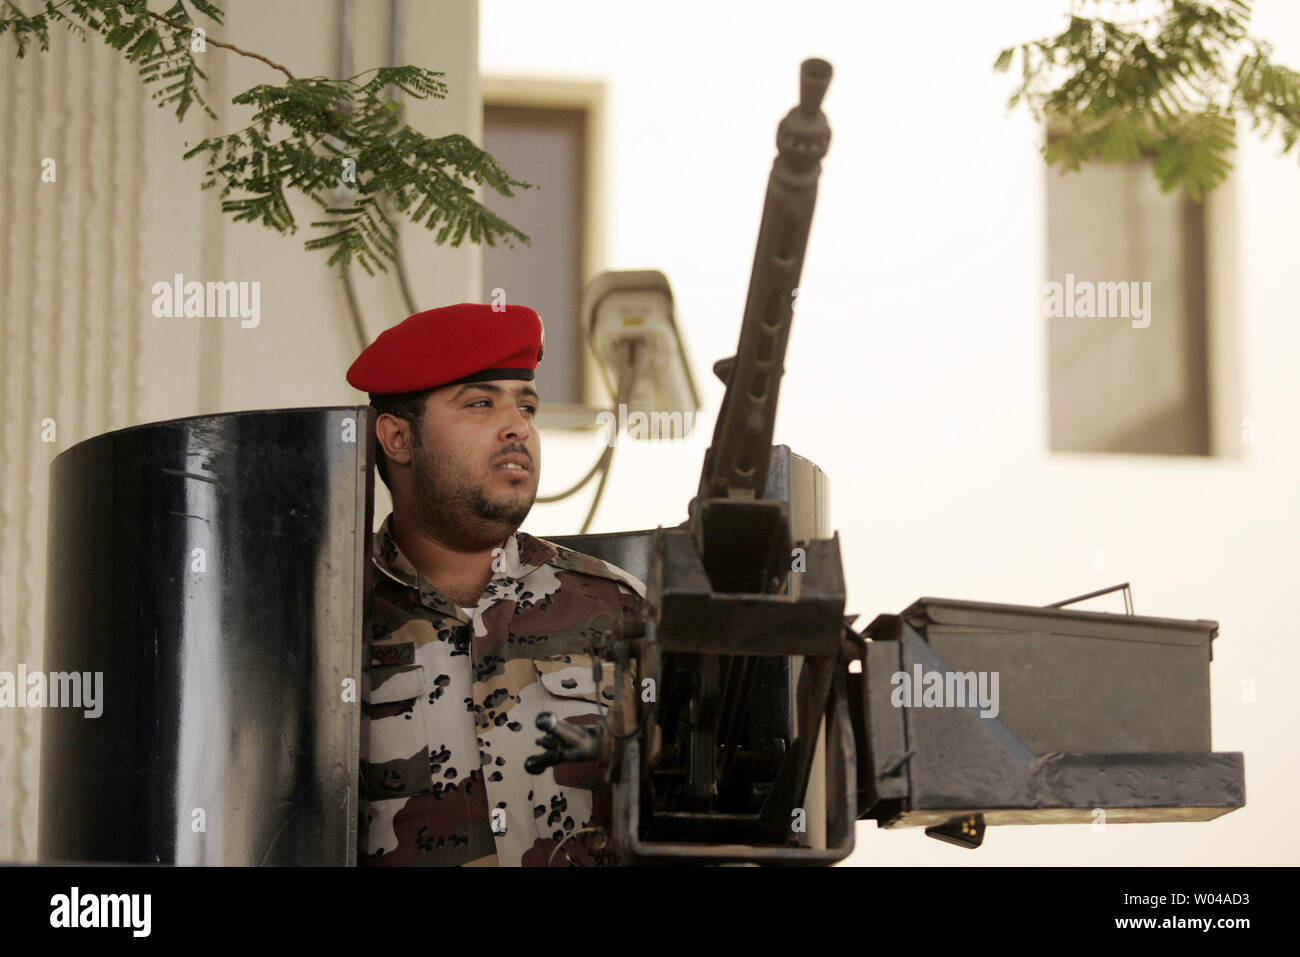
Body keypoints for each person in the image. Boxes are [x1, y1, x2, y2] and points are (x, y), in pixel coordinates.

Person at [346, 302, 649, 866]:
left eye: (527, 405)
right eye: (482, 403)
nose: (518, 426)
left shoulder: (615, 607)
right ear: (398, 438)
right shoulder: (330, 614)